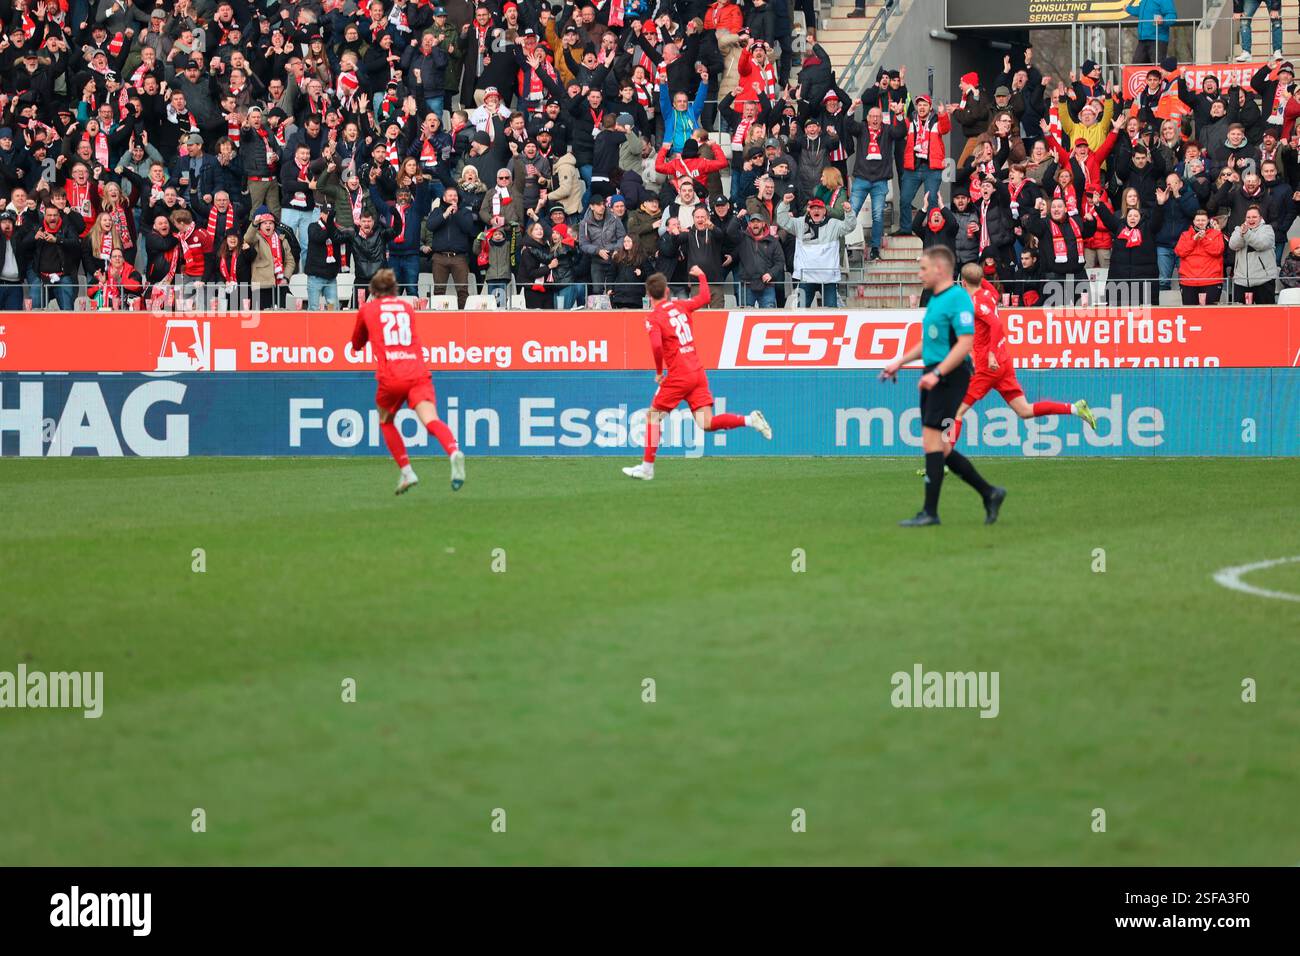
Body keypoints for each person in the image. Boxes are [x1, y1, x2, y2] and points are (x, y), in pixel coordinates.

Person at [879, 247, 1005, 527]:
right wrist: (898, 361)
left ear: (939, 269)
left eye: (923, 268)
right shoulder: (935, 300)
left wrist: (937, 373)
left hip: (951, 375)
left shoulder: (958, 298)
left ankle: (931, 512)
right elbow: (929, 343)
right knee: (939, 447)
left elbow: (965, 343)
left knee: (933, 442)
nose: (919, 274)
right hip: (934, 372)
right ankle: (989, 492)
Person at [622, 267, 772, 481]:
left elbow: (656, 346)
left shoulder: (653, 318)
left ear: (648, 295)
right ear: (667, 291)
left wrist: (658, 372)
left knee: (653, 416)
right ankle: (750, 420)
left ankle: (647, 469)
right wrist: (702, 275)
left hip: (678, 375)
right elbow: (704, 297)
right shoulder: (681, 305)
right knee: (706, 423)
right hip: (696, 371)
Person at [948, 262, 1098, 448]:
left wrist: (991, 353)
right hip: (1003, 363)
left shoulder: (978, 303)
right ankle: (1076, 408)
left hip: (988, 365)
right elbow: (982, 286)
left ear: (963, 283)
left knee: (956, 412)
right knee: (1024, 410)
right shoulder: (990, 294)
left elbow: (996, 325)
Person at [350, 269, 466, 495]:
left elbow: (356, 344)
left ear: (373, 291)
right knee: (431, 420)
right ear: (395, 290)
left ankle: (407, 470)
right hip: (417, 371)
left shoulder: (368, 309)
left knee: (385, 420)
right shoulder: (406, 308)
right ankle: (453, 451)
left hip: (391, 374)